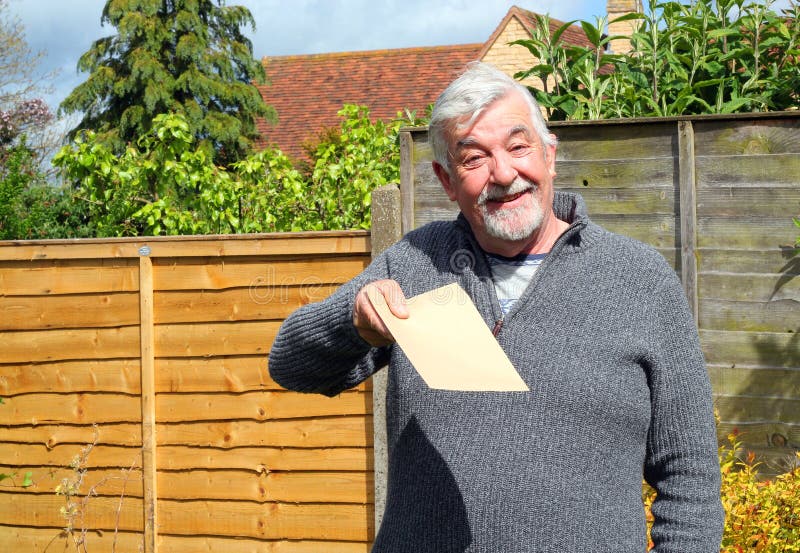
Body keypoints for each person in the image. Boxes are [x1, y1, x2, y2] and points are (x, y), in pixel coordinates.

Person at [268, 61, 724, 552]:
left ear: (550, 155)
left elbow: (690, 478)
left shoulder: (639, 279)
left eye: (518, 147)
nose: (503, 173)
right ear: (446, 180)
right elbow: (289, 365)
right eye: (474, 158)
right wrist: (352, 324)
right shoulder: (415, 262)